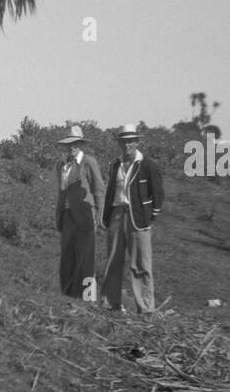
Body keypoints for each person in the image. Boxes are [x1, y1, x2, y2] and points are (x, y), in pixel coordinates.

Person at [100, 123, 165, 313]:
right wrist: (107, 217)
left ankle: (145, 309)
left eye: (130, 141)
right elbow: (111, 191)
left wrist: (150, 216)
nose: (127, 145)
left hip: (138, 218)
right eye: (123, 141)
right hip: (117, 215)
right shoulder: (115, 165)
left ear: (137, 142)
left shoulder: (147, 165)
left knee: (141, 265)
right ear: (119, 143)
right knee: (113, 261)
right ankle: (110, 304)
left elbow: (158, 193)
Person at [54, 124, 106, 298]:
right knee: (67, 259)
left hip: (85, 216)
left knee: (86, 260)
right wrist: (59, 215)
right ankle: (68, 295)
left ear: (81, 144)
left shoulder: (88, 162)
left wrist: (98, 216)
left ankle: (87, 297)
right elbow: (61, 192)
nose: (71, 147)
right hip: (67, 216)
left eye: (75, 143)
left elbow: (99, 189)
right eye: (68, 144)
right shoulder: (61, 165)